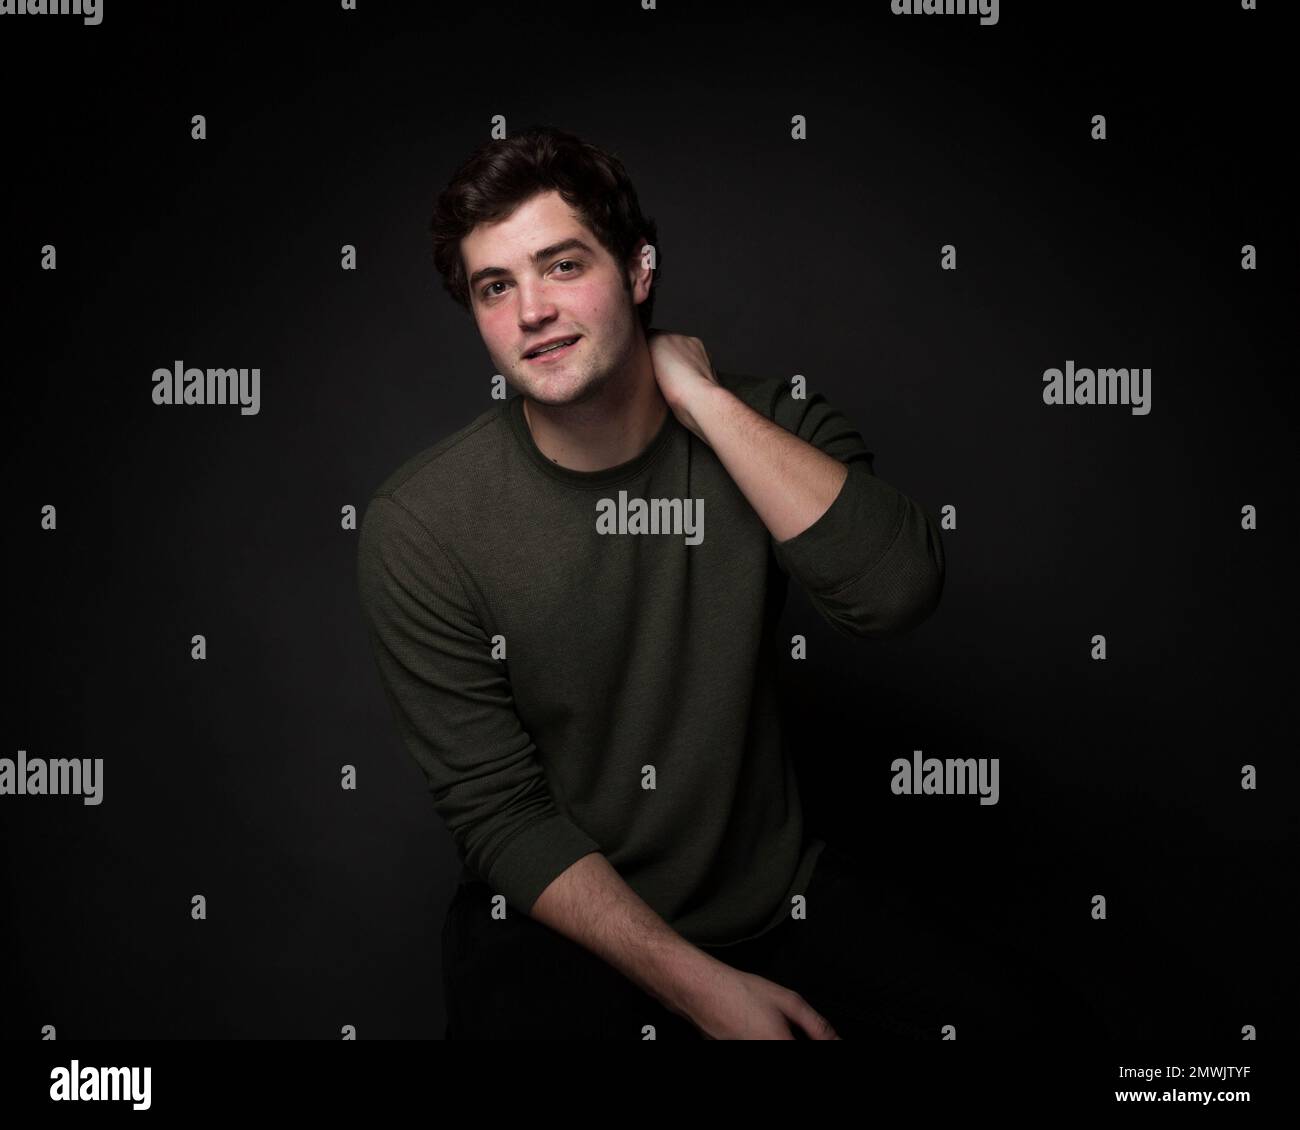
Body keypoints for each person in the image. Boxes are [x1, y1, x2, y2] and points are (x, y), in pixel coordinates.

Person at [357, 124, 965, 1039]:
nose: (531, 311)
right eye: (496, 286)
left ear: (639, 272)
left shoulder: (771, 423)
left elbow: (898, 591)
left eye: (563, 266)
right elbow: (503, 814)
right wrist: (702, 988)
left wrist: (705, 404)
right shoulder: (421, 526)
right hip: (562, 924)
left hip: (778, 898)